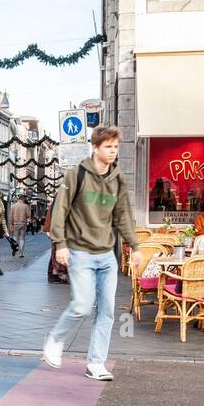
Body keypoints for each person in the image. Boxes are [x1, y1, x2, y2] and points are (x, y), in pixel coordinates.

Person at [43, 126, 143, 381]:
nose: (113, 151)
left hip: (107, 255)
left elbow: (123, 217)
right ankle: (55, 339)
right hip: (80, 252)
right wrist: (60, 244)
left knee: (107, 311)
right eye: (108, 146)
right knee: (82, 305)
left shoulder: (118, 179)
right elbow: (59, 212)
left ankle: (96, 363)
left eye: (116, 147)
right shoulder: (76, 175)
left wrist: (135, 246)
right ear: (96, 147)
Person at [9, 193, 31, 258]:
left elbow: (11, 216)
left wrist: (11, 224)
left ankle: (15, 249)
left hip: (15, 224)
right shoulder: (25, 206)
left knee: (15, 238)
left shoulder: (13, 206)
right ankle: (21, 253)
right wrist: (28, 220)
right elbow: (28, 216)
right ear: (23, 199)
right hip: (23, 223)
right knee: (22, 238)